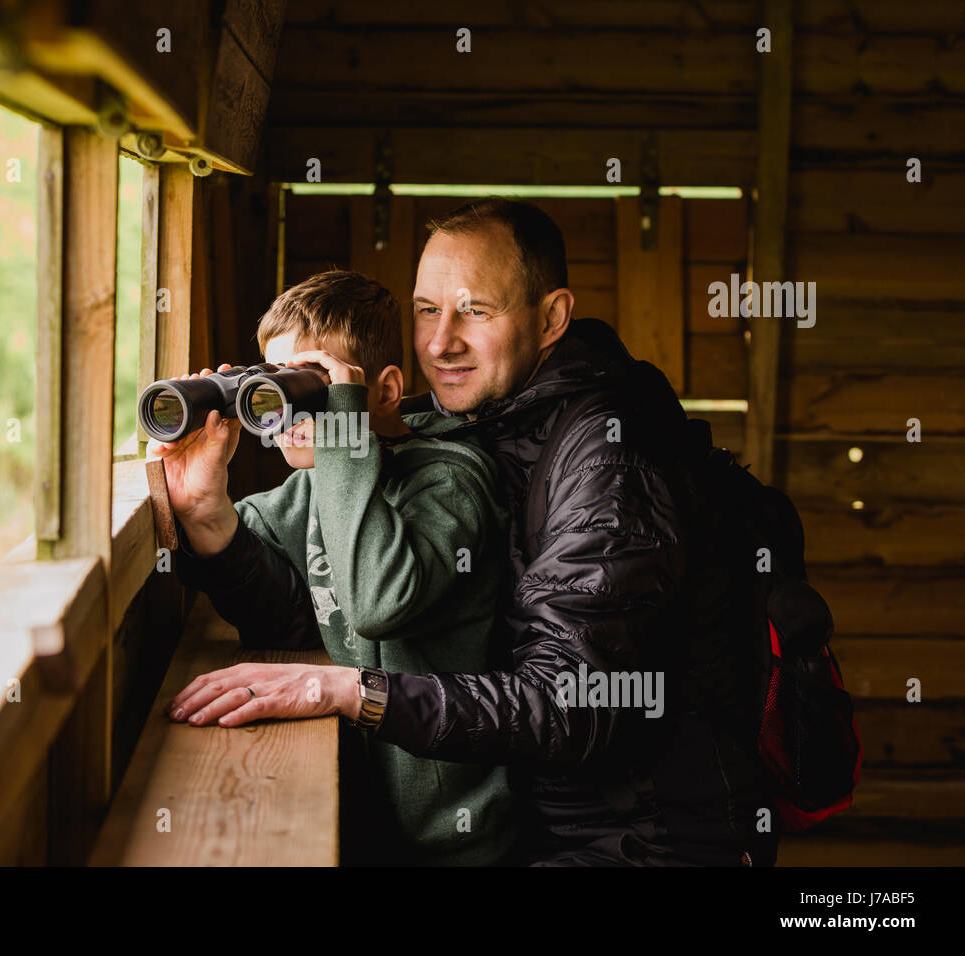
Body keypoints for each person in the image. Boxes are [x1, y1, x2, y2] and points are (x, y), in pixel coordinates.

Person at [165, 198, 778, 867]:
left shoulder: (610, 458)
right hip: (543, 824)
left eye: (474, 311)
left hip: (637, 841)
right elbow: (327, 608)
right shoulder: (485, 421)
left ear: (551, 318)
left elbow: (567, 703)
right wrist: (206, 512)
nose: (439, 341)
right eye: (427, 310)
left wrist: (350, 692)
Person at [152, 269, 522, 865]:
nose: (289, 408)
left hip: (451, 843)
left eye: (312, 383)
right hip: (364, 820)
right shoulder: (314, 485)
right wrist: (204, 511)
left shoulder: (448, 480)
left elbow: (378, 603)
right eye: (272, 384)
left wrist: (340, 429)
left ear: (381, 391)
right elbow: (280, 615)